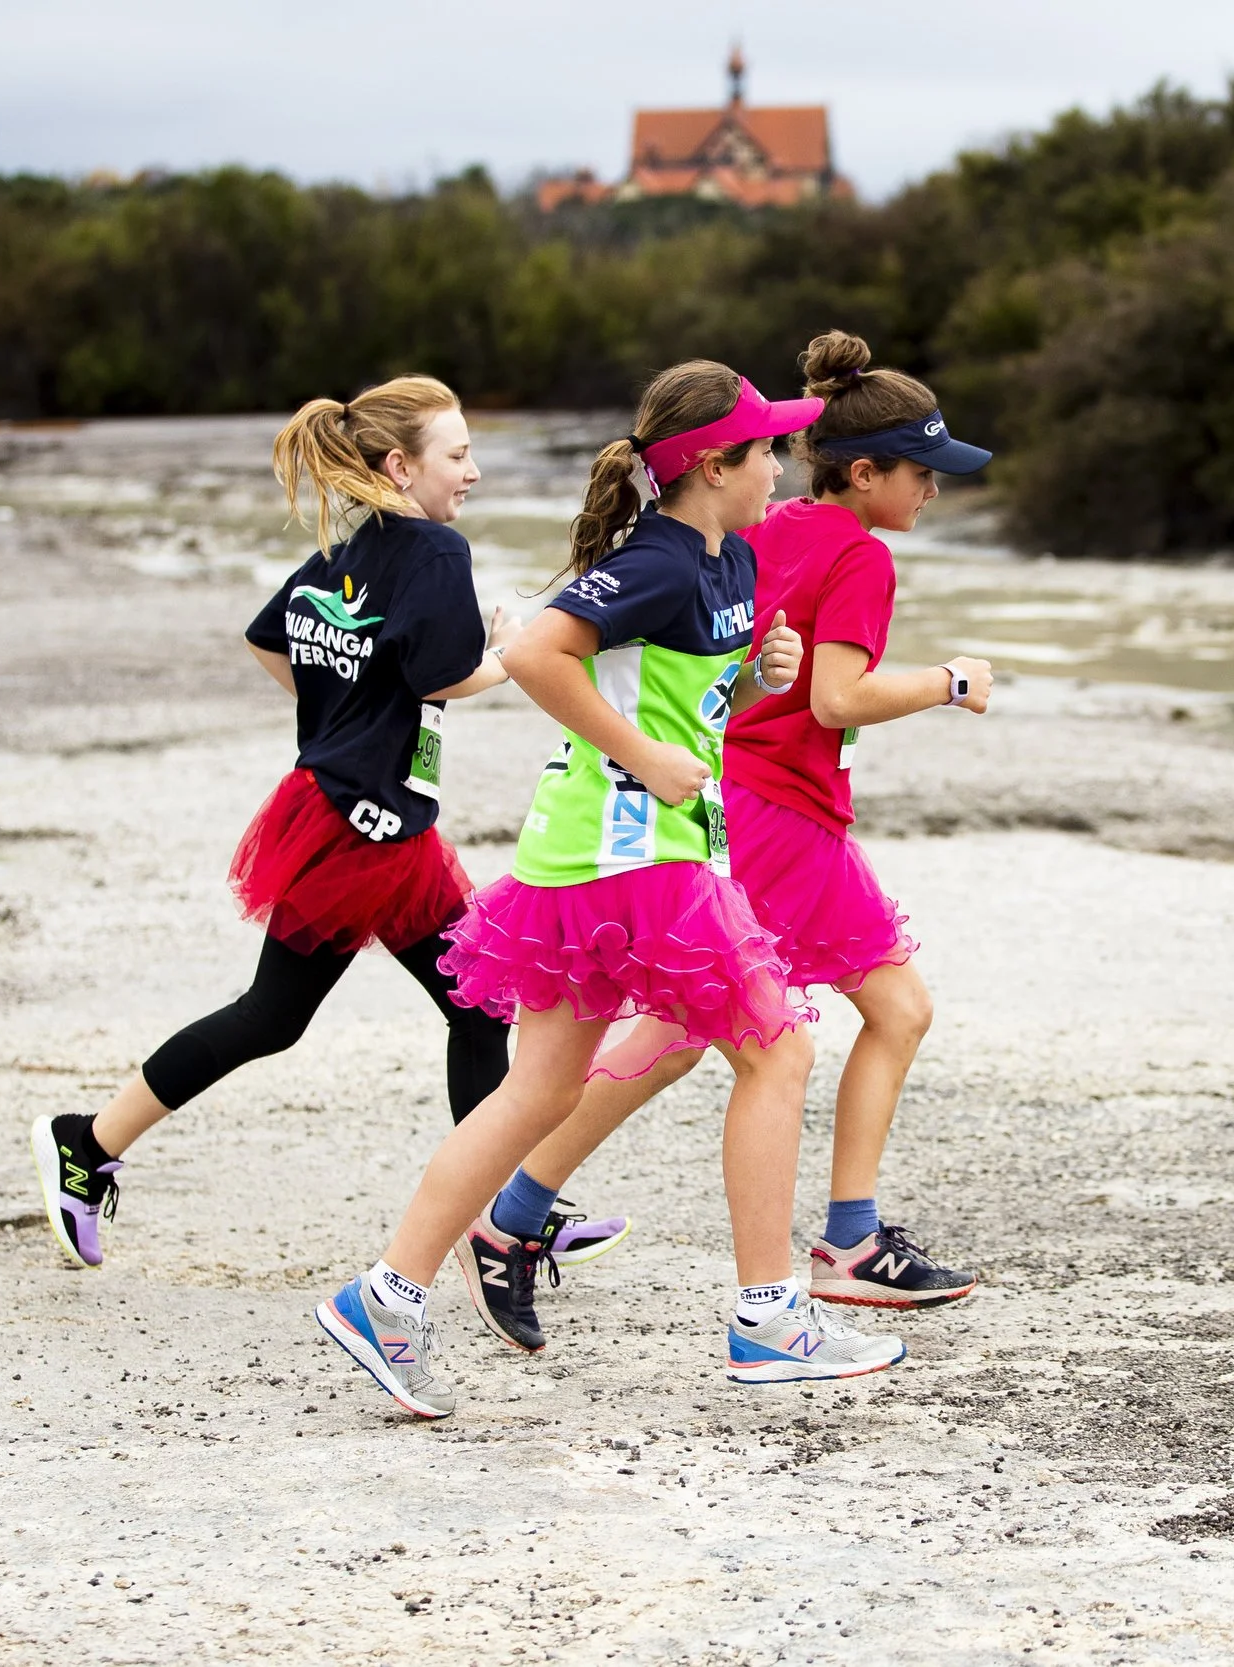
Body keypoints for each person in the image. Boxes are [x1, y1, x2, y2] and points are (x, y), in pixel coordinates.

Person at [314, 361, 907, 1418]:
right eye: (764, 449)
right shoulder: (662, 559)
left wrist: (762, 666)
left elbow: (681, 673)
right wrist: (643, 752)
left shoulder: (724, 559)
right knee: (780, 1049)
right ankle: (770, 1319)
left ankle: (385, 1294)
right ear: (712, 465)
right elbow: (541, 650)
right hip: (630, 856)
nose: (781, 464)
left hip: (594, 855)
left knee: (538, 1089)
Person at [26, 376, 627, 1270]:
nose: (472, 471)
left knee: (475, 1001)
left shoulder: (356, 547)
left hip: (363, 814)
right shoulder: (430, 551)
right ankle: (84, 1142)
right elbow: (443, 675)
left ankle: (504, 1211)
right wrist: (513, 649)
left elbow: (270, 639)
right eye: (456, 454)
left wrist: (337, 715)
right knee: (281, 1013)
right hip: (358, 829)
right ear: (400, 464)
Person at [487, 330, 998, 1320]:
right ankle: (842, 1243)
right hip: (783, 814)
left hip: (731, 800)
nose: (933, 492)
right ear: (865, 471)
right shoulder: (859, 556)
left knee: (682, 1031)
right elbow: (836, 699)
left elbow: (732, 656)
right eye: (923, 471)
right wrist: (951, 681)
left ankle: (514, 1206)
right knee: (885, 1012)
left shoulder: (768, 526)